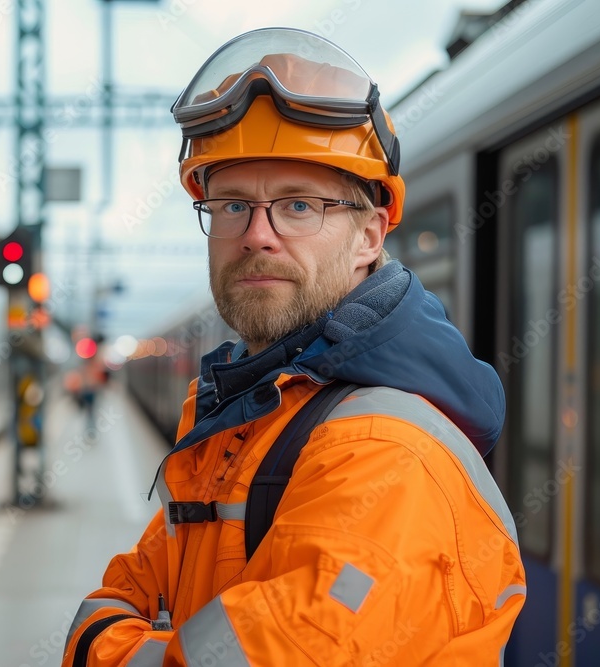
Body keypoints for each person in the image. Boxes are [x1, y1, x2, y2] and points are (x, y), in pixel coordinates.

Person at [61, 27, 525, 666]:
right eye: (230, 207)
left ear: (369, 236)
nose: (256, 235)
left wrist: (99, 647)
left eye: (299, 206)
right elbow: (128, 591)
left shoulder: (380, 455)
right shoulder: (255, 417)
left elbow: (115, 617)